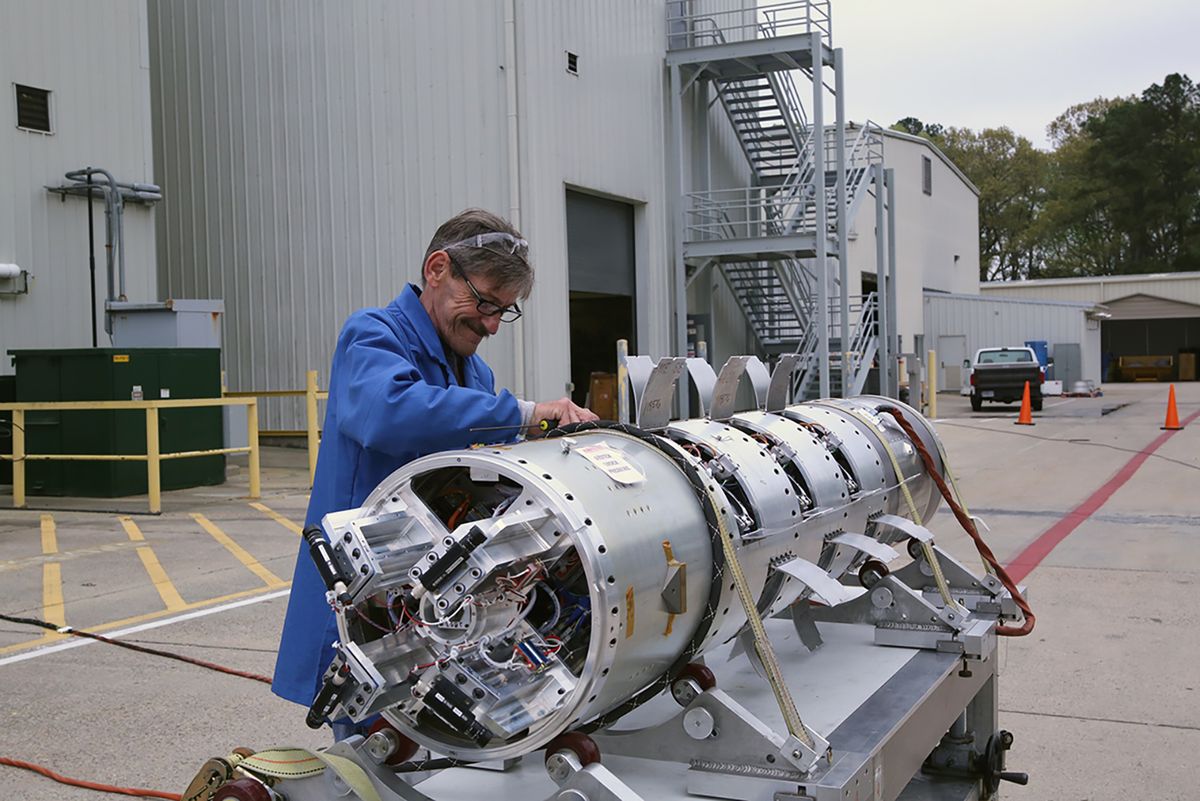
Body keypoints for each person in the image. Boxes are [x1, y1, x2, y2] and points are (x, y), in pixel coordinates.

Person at [272, 209, 597, 722]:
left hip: (439, 591)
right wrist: (526, 414)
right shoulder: (373, 335)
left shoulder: (474, 369)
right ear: (438, 269)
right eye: (485, 303)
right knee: (372, 735)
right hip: (367, 593)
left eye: (503, 312)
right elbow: (388, 412)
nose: (491, 324)